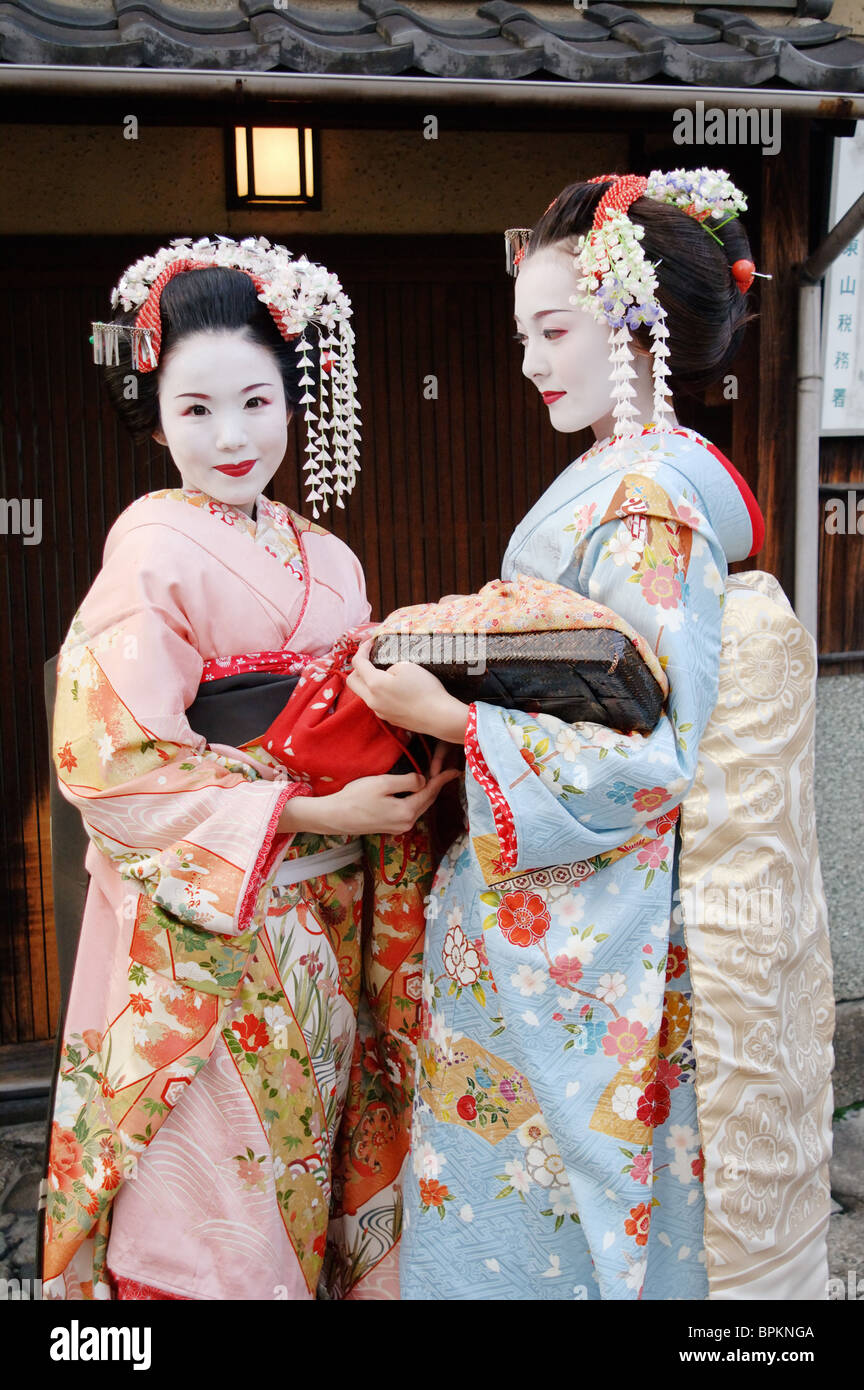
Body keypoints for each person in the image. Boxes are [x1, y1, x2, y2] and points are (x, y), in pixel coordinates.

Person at [348, 171, 834, 1300]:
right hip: (557, 892)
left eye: (555, 330)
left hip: (578, 929)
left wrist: (456, 717)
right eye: (525, 333)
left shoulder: (644, 502)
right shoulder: (631, 483)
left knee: (541, 1224)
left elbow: (648, 754)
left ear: (638, 327)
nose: (531, 362)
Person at [41, 236, 456, 1301]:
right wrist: (318, 803)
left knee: (308, 1169)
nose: (232, 437)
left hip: (328, 919)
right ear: (155, 408)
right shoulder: (152, 550)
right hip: (214, 930)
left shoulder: (333, 557)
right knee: (216, 1208)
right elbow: (109, 760)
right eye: (196, 409)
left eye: (257, 402)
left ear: (294, 397)